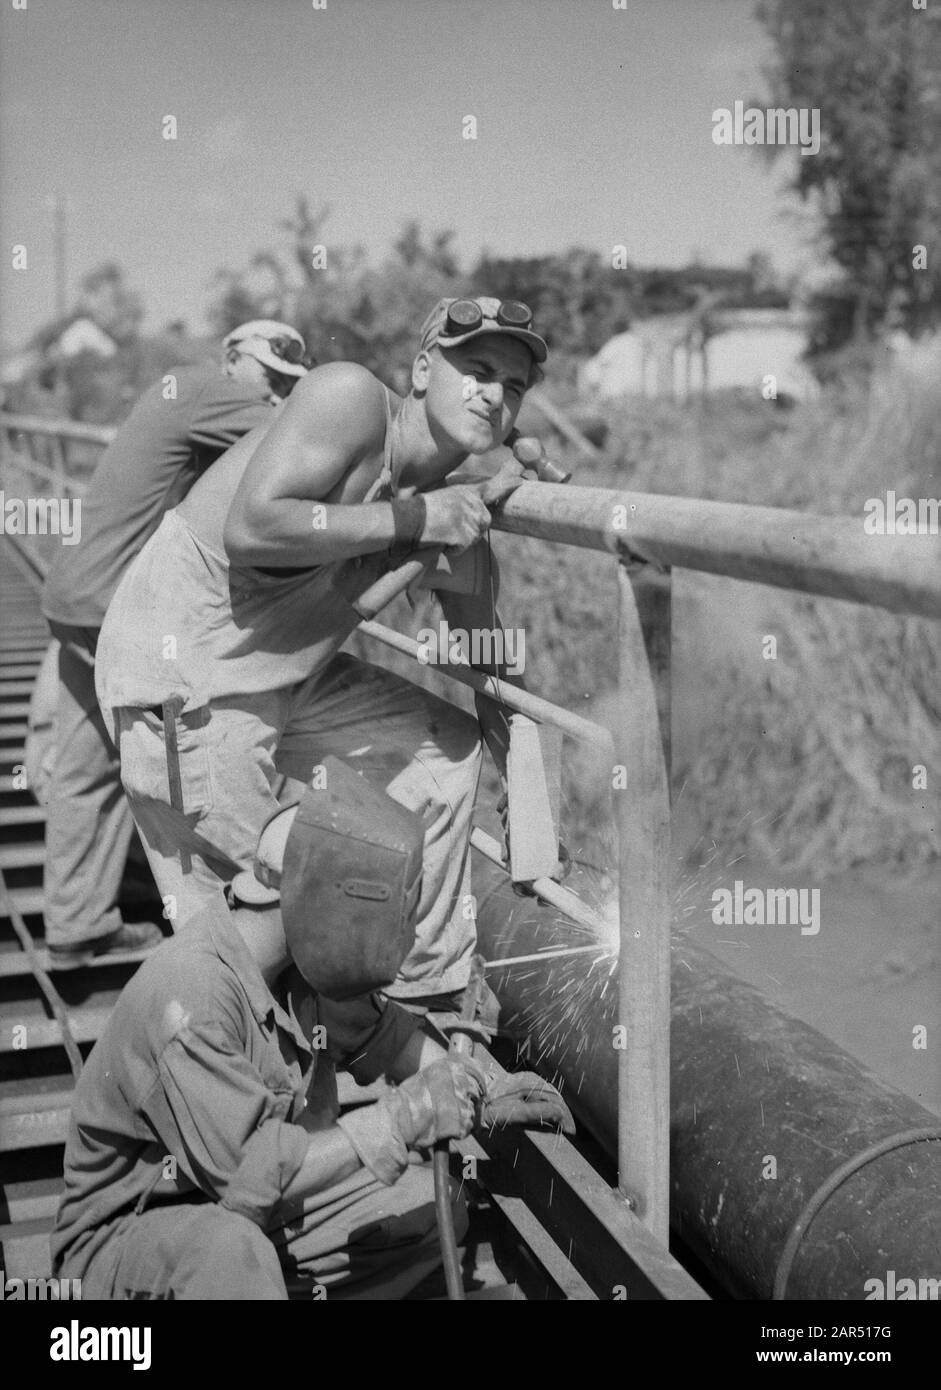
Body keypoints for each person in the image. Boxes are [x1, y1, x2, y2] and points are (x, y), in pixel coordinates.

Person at [94, 296, 559, 1014]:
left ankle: (430, 1004)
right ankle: (194, 1095)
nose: (494, 393)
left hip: (275, 674)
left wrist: (534, 818)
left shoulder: (449, 502)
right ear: (422, 368)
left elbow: (488, 659)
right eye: (477, 369)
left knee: (445, 750)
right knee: (250, 946)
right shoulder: (347, 398)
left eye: (514, 385)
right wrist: (414, 518)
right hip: (181, 679)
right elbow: (254, 527)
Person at [50, 766, 571, 1300]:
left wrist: (478, 1082)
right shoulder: (193, 1001)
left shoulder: (294, 964)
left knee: (421, 1216)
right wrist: (403, 1116)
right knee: (232, 1253)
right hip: (130, 1243)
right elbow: (249, 1180)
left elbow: (391, 1039)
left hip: (239, 1208)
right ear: (330, 903)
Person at [39, 321, 311, 969]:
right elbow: (305, 441)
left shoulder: (182, 393)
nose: (274, 397)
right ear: (231, 357)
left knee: (86, 767)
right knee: (189, 748)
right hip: (114, 607)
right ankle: (222, 935)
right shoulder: (202, 389)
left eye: (287, 386)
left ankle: (77, 924)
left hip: (73, 592)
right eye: (269, 379)